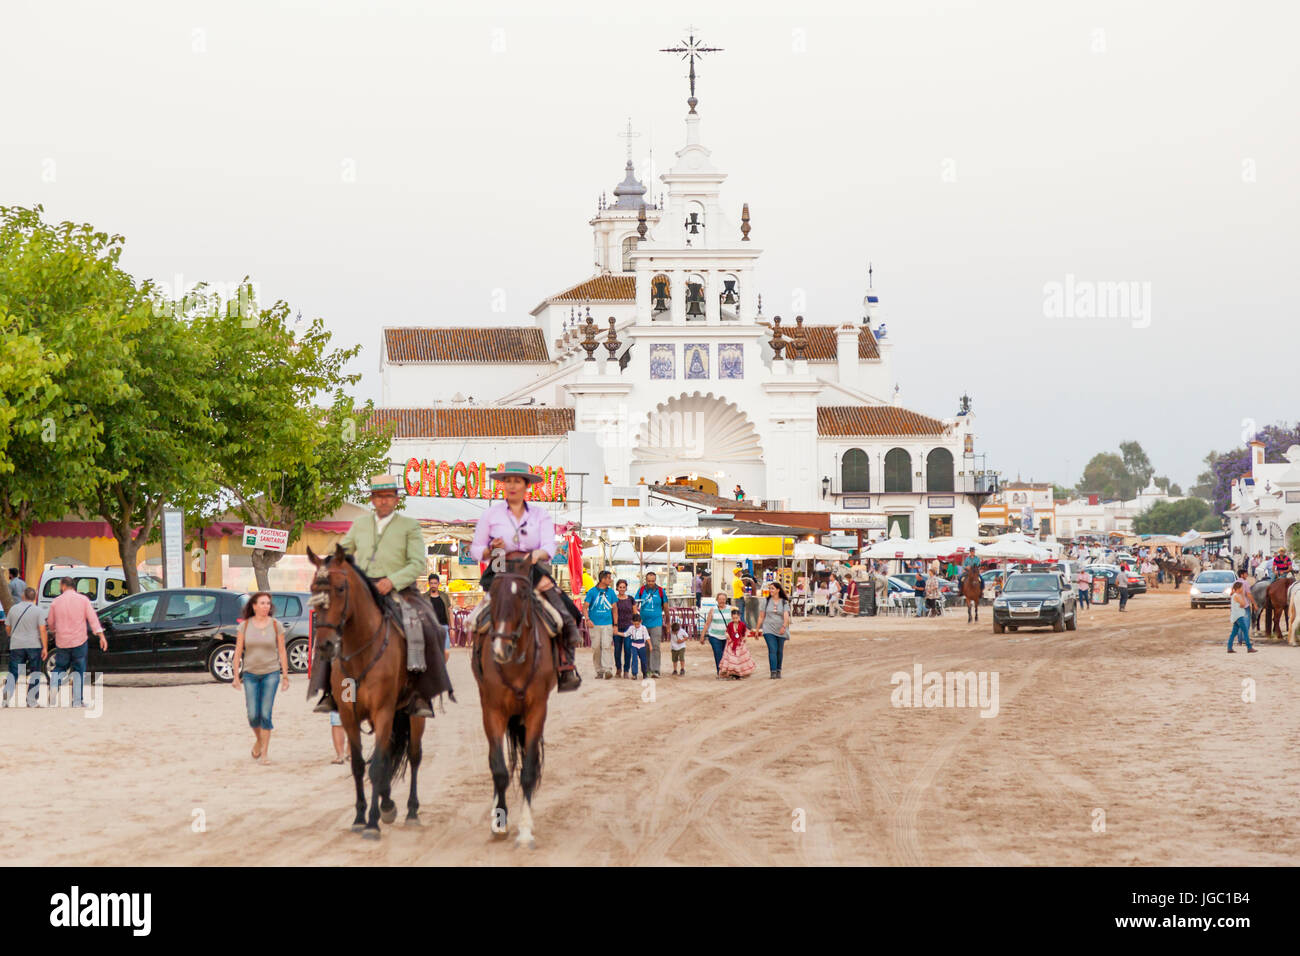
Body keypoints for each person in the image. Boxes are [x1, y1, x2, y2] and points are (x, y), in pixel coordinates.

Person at [307, 474, 454, 714]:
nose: (384, 501)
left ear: (396, 499)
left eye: (388, 496)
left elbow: (417, 562)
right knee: (330, 625)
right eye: (379, 497)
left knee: (427, 625)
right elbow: (343, 552)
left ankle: (421, 694)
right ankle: (330, 692)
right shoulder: (360, 525)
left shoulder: (410, 526)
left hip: (401, 589)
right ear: (372, 500)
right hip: (363, 589)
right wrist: (326, 566)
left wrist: (392, 581)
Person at [463, 462, 582, 691]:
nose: (512, 485)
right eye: (508, 481)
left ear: (527, 485)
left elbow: (549, 545)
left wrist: (538, 554)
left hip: (531, 565)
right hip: (500, 563)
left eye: (517, 481)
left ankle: (566, 666)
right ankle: (480, 663)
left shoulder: (540, 514)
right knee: (478, 619)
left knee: (568, 614)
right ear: (503, 485)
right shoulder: (490, 514)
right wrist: (490, 548)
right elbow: (476, 549)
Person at [231, 592, 290, 763]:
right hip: (250, 674)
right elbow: (238, 652)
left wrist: (285, 676)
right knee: (252, 715)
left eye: (268, 603)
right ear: (254, 606)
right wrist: (236, 676)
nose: (266, 606)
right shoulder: (245, 626)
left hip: (271, 673)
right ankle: (259, 740)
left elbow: (282, 651)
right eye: (262, 603)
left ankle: (264, 754)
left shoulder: (275, 625)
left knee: (265, 713)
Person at [47, 577, 106, 708]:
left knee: (59, 667)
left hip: (62, 640)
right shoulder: (83, 600)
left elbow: (50, 622)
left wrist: (54, 630)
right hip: (79, 640)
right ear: (74, 587)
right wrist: (101, 635)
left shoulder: (56, 602)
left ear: (63, 586)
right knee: (79, 670)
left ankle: (53, 691)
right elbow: (93, 619)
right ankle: (77, 700)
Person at [3, 586, 46, 707]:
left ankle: (6, 698)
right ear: (34, 597)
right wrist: (45, 647)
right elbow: (42, 630)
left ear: (23, 596)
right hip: (34, 645)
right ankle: (31, 700)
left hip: (16, 645)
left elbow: (7, 627)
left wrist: (13, 636)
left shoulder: (13, 609)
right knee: (35, 672)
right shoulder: (39, 611)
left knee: (13, 672)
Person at [583, 570, 617, 679]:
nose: (610, 580)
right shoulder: (592, 592)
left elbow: (615, 609)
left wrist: (615, 624)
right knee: (596, 647)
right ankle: (599, 670)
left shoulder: (611, 592)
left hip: (607, 624)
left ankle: (608, 670)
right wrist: (587, 619)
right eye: (608, 578)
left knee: (606, 646)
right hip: (594, 625)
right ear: (602, 579)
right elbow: (585, 607)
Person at [635, 571, 666, 679]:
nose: (651, 583)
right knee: (646, 647)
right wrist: (636, 618)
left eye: (653, 581)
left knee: (656, 646)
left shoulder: (661, 591)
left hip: (657, 622)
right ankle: (647, 669)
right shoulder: (641, 590)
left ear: (655, 580)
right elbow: (635, 603)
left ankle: (655, 670)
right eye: (649, 581)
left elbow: (666, 606)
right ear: (645, 580)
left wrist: (668, 622)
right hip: (644, 623)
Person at [757, 582, 792, 679]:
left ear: (778, 590)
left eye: (772, 588)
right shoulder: (766, 601)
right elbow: (761, 616)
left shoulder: (784, 602)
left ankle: (778, 670)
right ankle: (773, 671)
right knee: (772, 649)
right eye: (770, 588)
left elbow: (786, 616)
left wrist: (784, 626)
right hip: (768, 628)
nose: (771, 590)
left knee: (779, 651)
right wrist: (757, 629)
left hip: (781, 628)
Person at [719, 608, 756, 678]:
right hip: (731, 644)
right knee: (732, 658)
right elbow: (727, 632)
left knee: (739, 658)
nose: (735, 619)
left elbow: (745, 632)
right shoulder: (730, 624)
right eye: (733, 618)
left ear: (739, 616)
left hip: (740, 644)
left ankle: (739, 673)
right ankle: (732, 672)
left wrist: (745, 637)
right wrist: (728, 636)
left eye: (737, 618)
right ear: (731, 617)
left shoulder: (742, 624)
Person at [701, 591, 731, 675]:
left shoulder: (730, 609)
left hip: (727, 637)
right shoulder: (713, 610)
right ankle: (720, 672)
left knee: (727, 655)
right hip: (714, 636)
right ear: (717, 600)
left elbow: (735, 622)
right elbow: (707, 623)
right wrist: (702, 635)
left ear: (726, 600)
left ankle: (727, 671)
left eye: (723, 599)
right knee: (718, 654)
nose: (722, 601)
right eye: (720, 599)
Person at [426, 573, 452, 661]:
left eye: (435, 583)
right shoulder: (424, 597)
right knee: (430, 652)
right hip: (429, 627)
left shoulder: (444, 596)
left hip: (443, 626)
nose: (433, 585)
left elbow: (449, 610)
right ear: (428, 584)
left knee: (446, 651)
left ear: (438, 584)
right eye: (431, 583)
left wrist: (452, 628)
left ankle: (442, 668)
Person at [613, 579, 634, 679]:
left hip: (629, 627)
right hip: (617, 627)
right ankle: (618, 669)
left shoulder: (630, 599)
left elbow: (635, 613)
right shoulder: (614, 599)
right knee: (617, 650)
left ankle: (626, 670)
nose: (622, 589)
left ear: (626, 588)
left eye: (623, 587)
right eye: (620, 587)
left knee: (628, 649)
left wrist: (637, 625)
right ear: (617, 588)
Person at [1227, 581, 1256, 653]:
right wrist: (1243, 596)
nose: (1242, 589)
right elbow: (1244, 604)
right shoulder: (1237, 595)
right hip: (1239, 616)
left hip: (1236, 616)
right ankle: (1249, 647)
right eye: (1241, 588)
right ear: (1238, 588)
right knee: (1245, 631)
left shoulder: (1234, 595)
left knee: (1234, 633)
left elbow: (1242, 604)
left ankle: (1229, 647)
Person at [627, 612, 650, 678]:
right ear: (632, 622)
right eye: (635, 624)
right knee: (634, 659)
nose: (636, 625)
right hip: (634, 645)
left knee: (643, 660)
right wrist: (618, 633)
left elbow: (647, 637)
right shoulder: (631, 628)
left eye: (638, 624)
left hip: (642, 645)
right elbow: (626, 634)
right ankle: (634, 674)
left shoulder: (643, 628)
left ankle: (645, 673)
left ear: (641, 621)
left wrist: (650, 645)